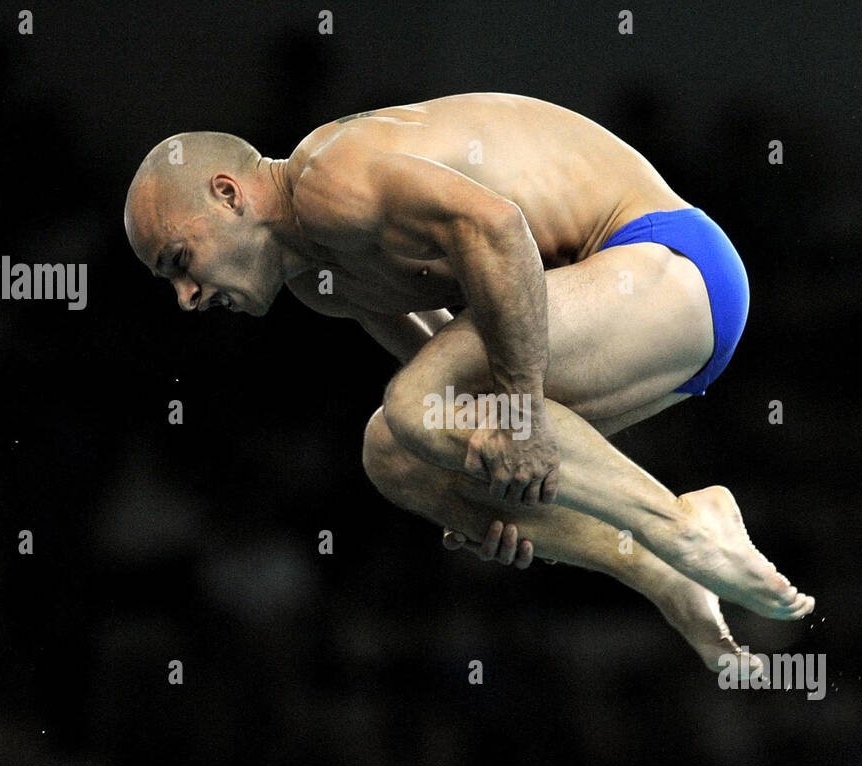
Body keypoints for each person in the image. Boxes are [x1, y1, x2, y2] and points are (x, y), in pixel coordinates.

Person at [123, 92, 814, 673]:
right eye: (169, 282)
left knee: (416, 407)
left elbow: (499, 228)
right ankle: (661, 571)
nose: (185, 295)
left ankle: (682, 525)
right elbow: (452, 406)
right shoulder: (324, 286)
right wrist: (474, 483)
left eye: (180, 260)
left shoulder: (330, 177)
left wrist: (514, 417)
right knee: (392, 451)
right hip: (636, 327)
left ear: (227, 194)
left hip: (668, 264)